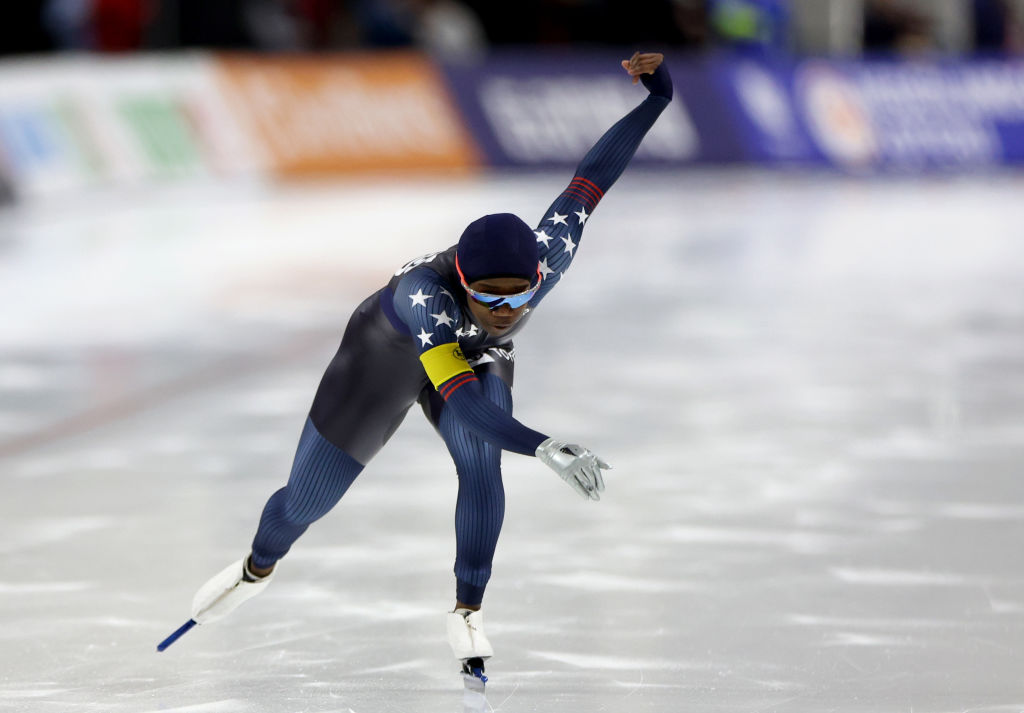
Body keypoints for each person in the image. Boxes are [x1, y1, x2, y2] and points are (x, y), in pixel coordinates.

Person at [185, 51, 673, 681]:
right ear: (461, 281)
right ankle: (257, 567)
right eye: (490, 297)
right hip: (382, 362)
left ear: (538, 275)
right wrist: (546, 446)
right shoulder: (429, 297)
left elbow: (590, 181)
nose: (506, 312)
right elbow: (463, 402)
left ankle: (468, 610)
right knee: (306, 502)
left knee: (482, 461)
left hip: (469, 355)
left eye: (520, 297)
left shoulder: (548, 253)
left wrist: (656, 101)